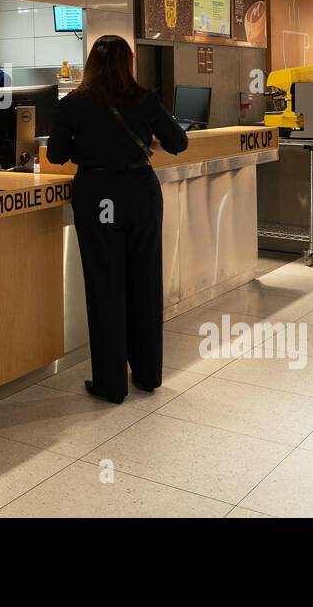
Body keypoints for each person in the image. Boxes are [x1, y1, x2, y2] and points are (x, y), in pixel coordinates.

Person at [46, 35, 188, 404]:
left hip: (98, 194)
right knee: (145, 282)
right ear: (129, 62)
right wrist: (144, 140)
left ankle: (111, 384)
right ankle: (148, 375)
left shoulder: (72, 104)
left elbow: (58, 154)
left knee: (105, 286)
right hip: (141, 192)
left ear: (91, 63)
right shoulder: (145, 99)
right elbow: (178, 142)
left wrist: (90, 145)